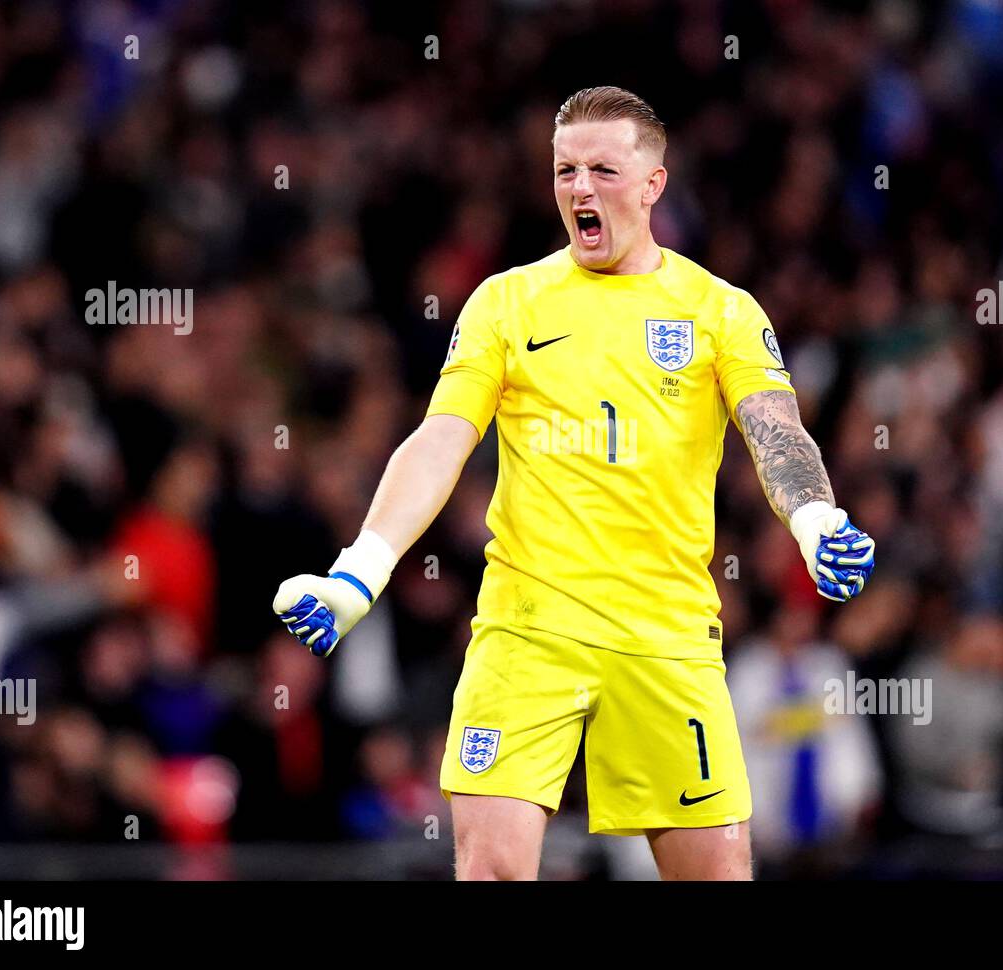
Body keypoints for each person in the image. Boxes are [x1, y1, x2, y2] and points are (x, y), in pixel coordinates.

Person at [272, 86, 875, 880]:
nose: (580, 188)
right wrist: (361, 570)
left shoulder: (718, 311)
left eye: (602, 170)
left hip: (665, 638)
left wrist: (815, 520)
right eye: (564, 171)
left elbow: (775, 429)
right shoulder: (505, 303)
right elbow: (440, 440)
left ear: (654, 184)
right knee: (488, 870)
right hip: (526, 633)